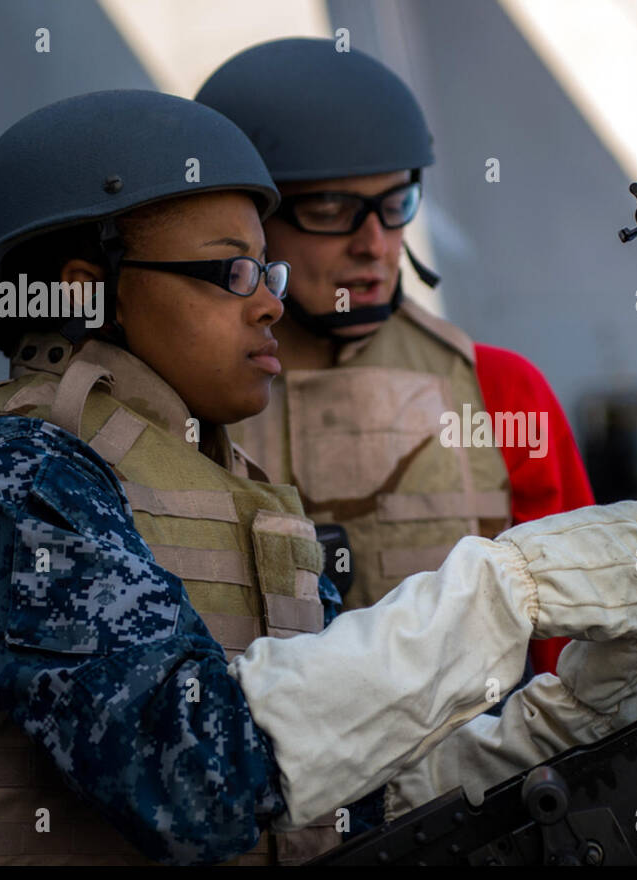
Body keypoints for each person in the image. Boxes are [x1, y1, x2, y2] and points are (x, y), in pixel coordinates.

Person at [0, 90, 637, 866]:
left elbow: (339, 801)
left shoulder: (224, 488)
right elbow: (194, 776)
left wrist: (549, 730)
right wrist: (503, 591)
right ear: (86, 291)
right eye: (231, 272)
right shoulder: (17, 475)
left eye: (270, 269)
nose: (268, 301)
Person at [196, 39, 595, 676]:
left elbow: (572, 657)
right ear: (248, 221)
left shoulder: (501, 390)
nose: (375, 245)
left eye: (394, 204)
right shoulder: (167, 403)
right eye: (331, 210)